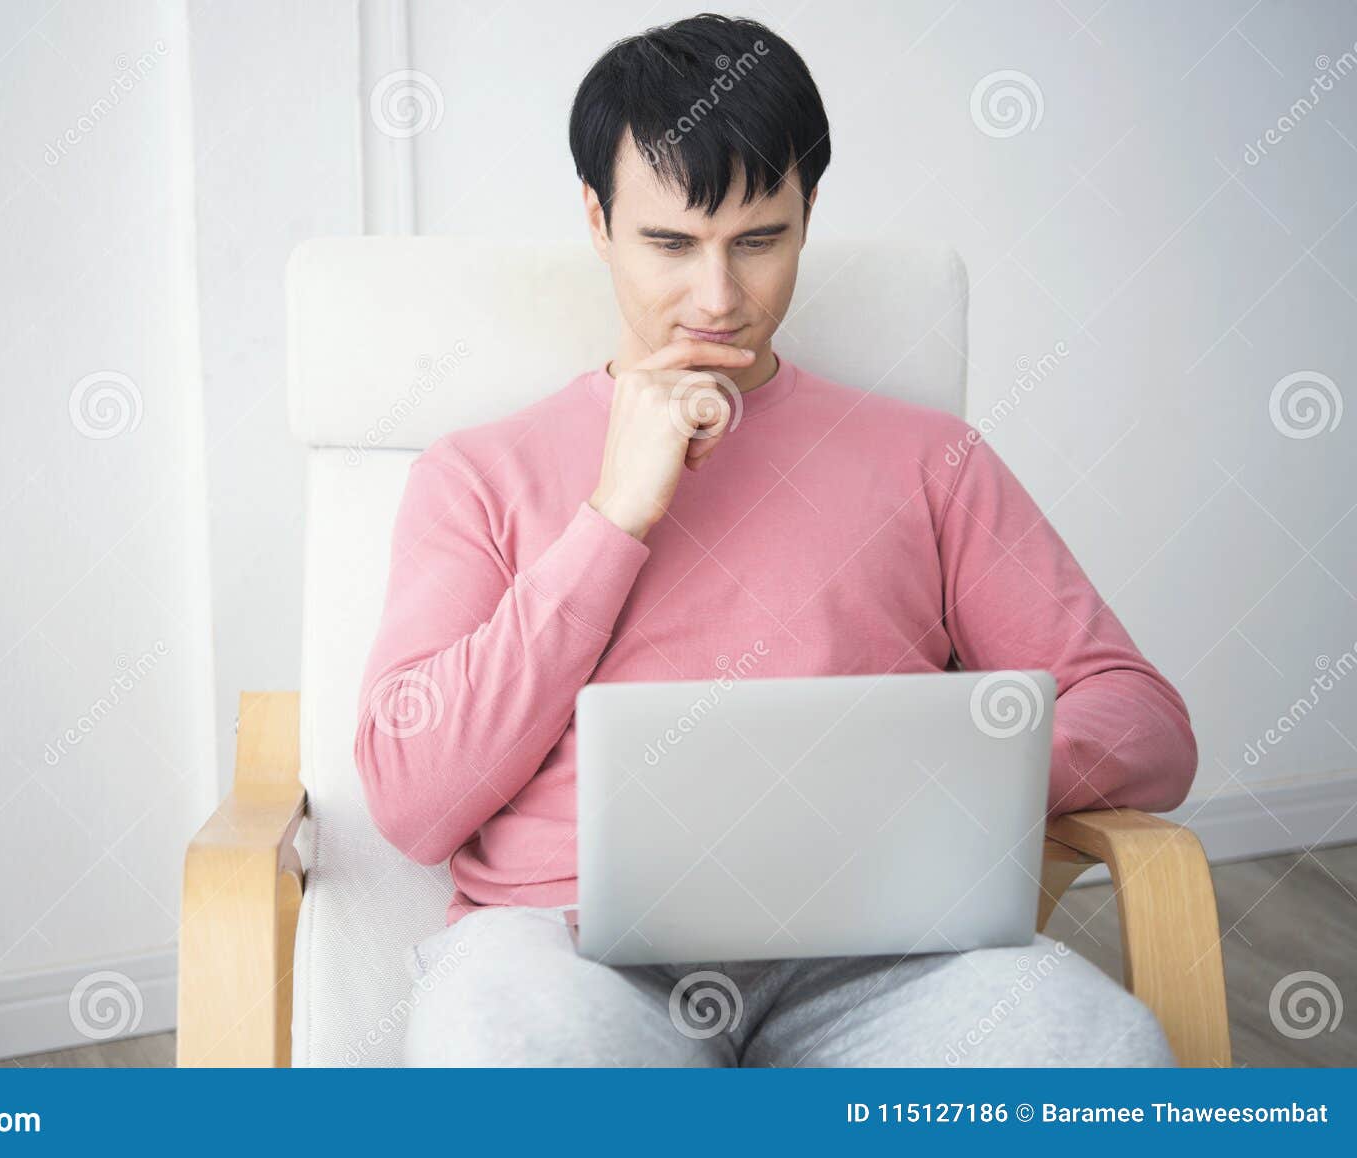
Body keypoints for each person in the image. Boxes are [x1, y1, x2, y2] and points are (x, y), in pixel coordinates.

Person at [352, 12, 1197, 1067]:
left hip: (883, 957)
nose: (716, 298)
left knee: (1092, 1049)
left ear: (806, 218)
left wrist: (934, 778)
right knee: (507, 1059)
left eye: (759, 241)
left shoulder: (929, 460)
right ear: (596, 218)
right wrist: (613, 516)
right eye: (670, 243)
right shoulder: (477, 473)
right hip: (567, 957)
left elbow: (1145, 722)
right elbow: (411, 798)